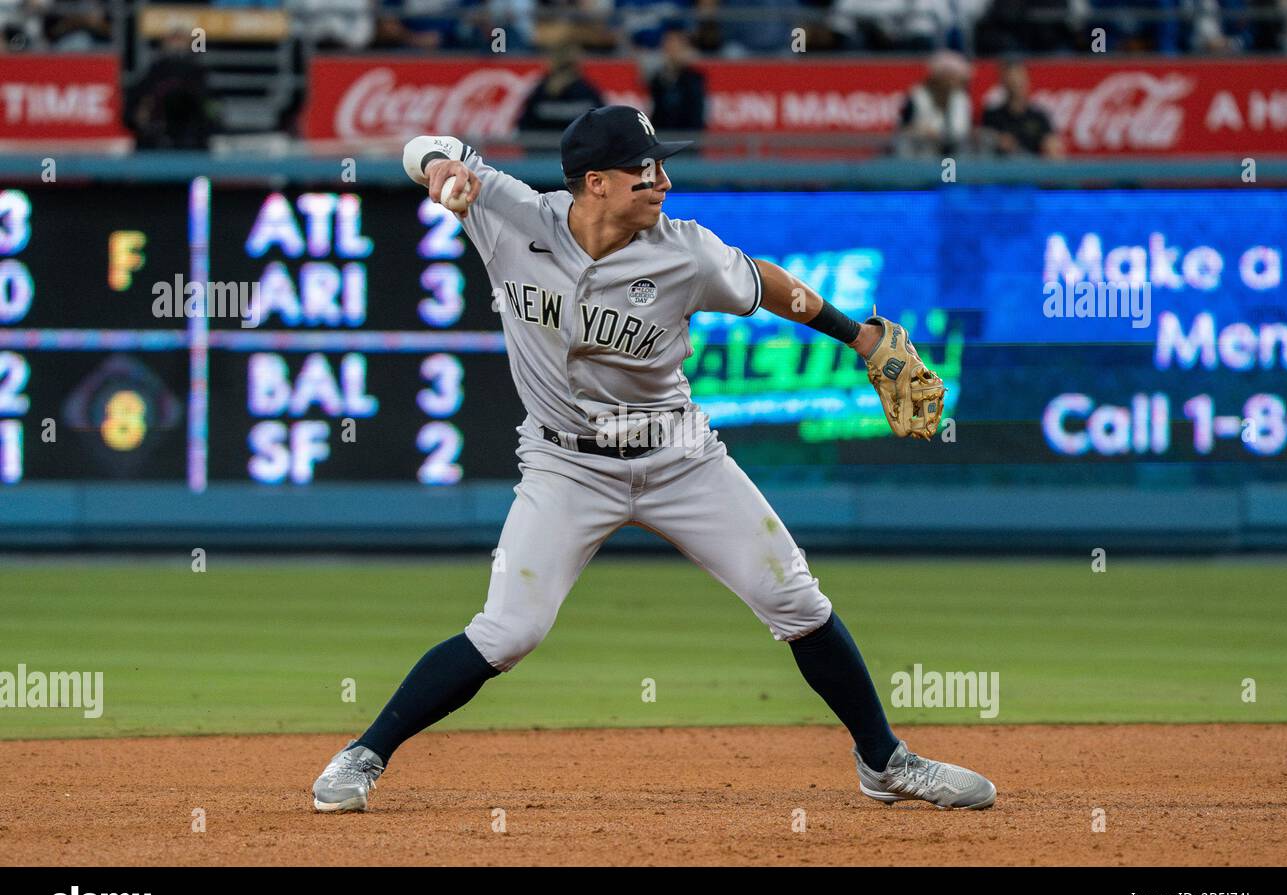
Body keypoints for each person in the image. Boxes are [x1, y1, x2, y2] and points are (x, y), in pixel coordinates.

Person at [310, 104, 995, 814]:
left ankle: (883, 762)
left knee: (794, 600)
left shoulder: (685, 252)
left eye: (662, 165)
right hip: (565, 466)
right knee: (509, 632)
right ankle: (362, 755)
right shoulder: (508, 214)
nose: (662, 180)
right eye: (646, 168)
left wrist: (859, 337)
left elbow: (767, 285)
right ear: (596, 182)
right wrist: (438, 166)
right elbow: (426, 145)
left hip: (679, 459)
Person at [125, 26, 219, 151]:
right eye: (173, 39)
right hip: (156, 142)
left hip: (191, 143)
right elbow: (130, 113)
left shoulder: (198, 74)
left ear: (190, 44)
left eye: (181, 39)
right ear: (164, 44)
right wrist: (140, 114)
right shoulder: (153, 73)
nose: (176, 44)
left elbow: (213, 113)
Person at [516, 41, 606, 137]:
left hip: (544, 149)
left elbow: (523, 126)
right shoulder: (588, 90)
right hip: (571, 150)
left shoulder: (539, 91)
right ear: (577, 64)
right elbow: (602, 125)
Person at [979, 58, 1064, 157]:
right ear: (1003, 83)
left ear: (1027, 81)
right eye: (1012, 80)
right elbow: (982, 142)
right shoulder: (992, 115)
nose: (1016, 84)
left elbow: (1052, 146)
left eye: (1020, 79)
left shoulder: (1039, 116)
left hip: (1031, 168)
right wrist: (997, 140)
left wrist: (1051, 147)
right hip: (1000, 168)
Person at [894, 50, 972, 157]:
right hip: (919, 154)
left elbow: (962, 130)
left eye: (956, 77)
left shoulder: (961, 98)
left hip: (954, 155)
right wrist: (921, 131)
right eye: (949, 77)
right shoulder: (917, 96)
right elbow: (902, 129)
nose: (952, 81)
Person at [648, 27, 707, 133]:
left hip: (688, 138)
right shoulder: (658, 78)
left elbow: (696, 112)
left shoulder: (694, 78)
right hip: (663, 136)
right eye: (668, 48)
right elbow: (657, 109)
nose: (671, 53)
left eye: (676, 48)